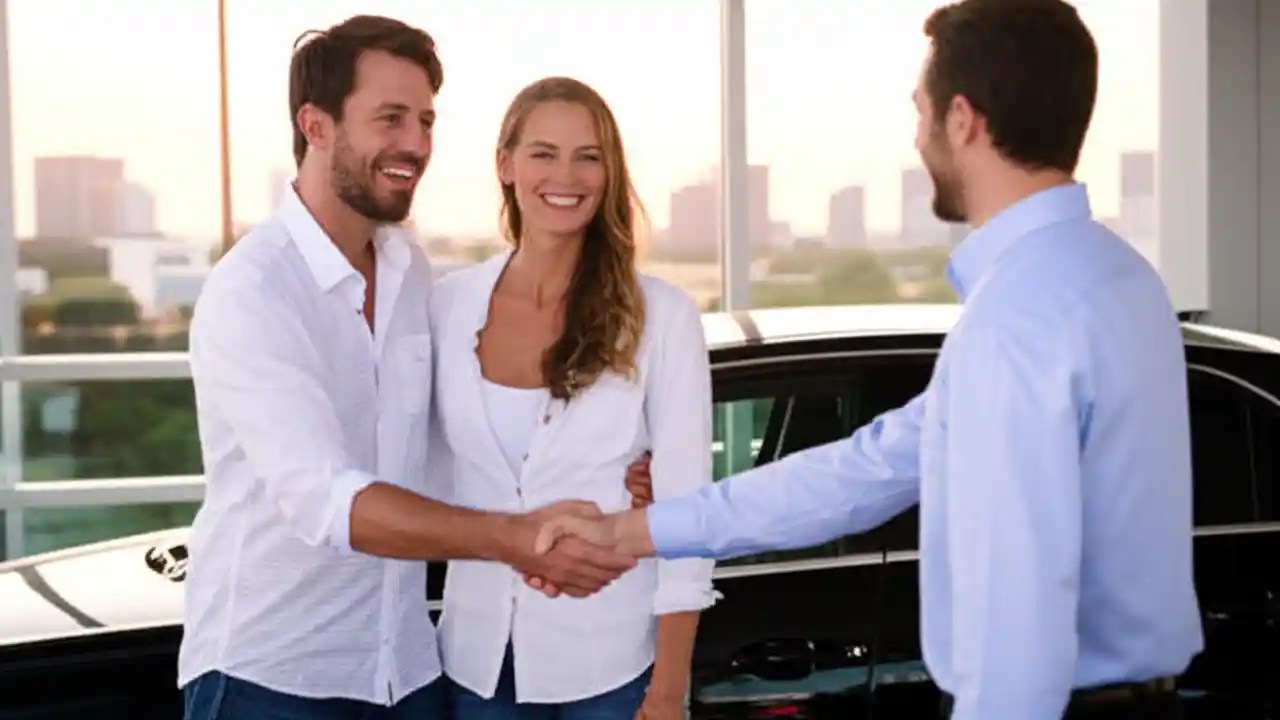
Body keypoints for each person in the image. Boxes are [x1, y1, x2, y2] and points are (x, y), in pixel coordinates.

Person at [537, 2, 1204, 718]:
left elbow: (1016, 614)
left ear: (962, 121)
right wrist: (631, 531)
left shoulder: (1015, 322)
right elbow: (868, 469)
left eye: (921, 113)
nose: (917, 139)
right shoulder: (1121, 278)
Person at [178, 17, 636, 720]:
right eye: (390, 119)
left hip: (406, 674)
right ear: (316, 125)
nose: (416, 145)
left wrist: (620, 478)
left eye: (425, 121)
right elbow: (323, 497)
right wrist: (517, 541)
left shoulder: (409, 270)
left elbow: (451, 445)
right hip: (271, 680)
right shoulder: (254, 291)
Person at [428, 76, 718, 720]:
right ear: (505, 165)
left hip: (611, 663)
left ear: (610, 172)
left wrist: (669, 690)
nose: (567, 174)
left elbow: (686, 510)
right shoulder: (445, 307)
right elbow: (414, 468)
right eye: (543, 153)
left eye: (588, 155)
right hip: (474, 665)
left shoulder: (662, 316)